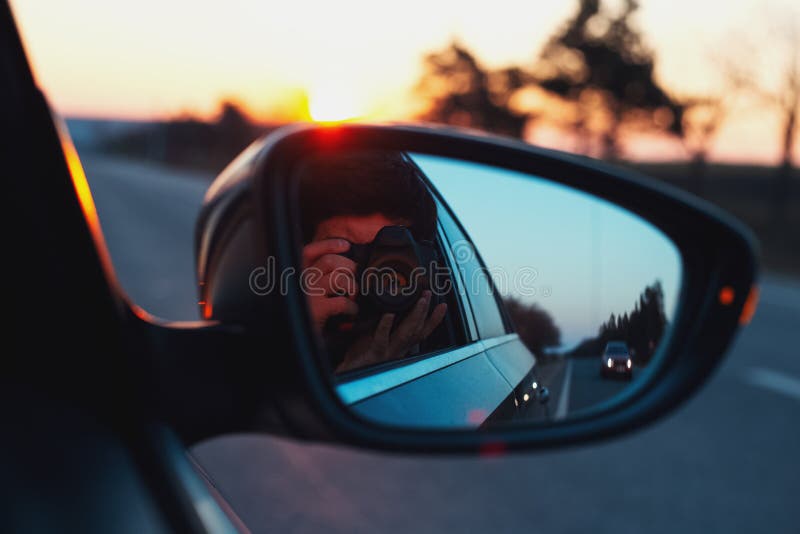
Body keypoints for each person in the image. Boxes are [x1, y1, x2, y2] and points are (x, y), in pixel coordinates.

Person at [298, 151, 447, 373]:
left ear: (426, 272)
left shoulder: (435, 352)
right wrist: (299, 327)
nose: (371, 276)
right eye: (346, 251)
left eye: (394, 268)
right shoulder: (286, 318)